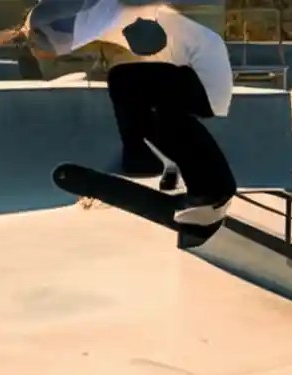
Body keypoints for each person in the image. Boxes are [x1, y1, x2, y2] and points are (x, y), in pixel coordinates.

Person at [94, 3, 237, 226]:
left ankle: (141, 156)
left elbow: (92, 27)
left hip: (203, 81)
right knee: (165, 123)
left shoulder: (153, 20)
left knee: (123, 79)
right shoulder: (158, 27)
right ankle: (197, 184)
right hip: (201, 83)